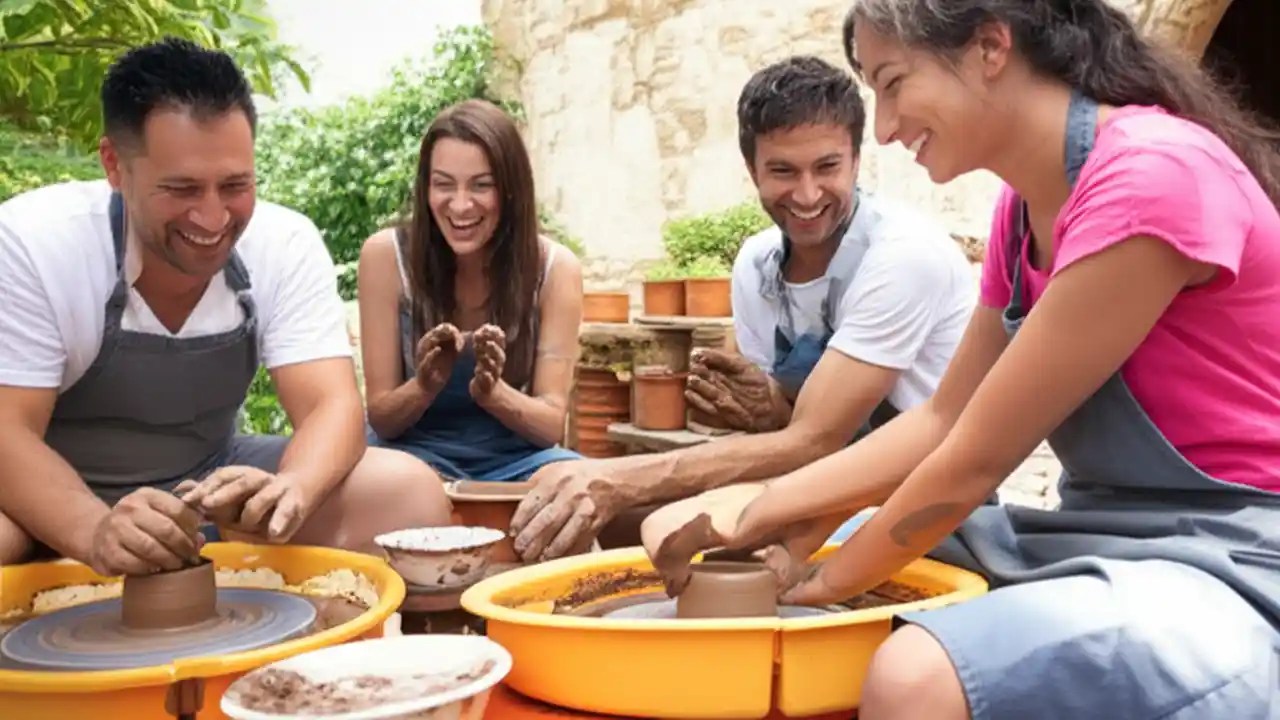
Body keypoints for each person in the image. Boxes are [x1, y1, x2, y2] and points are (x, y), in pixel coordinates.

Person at [640, 2, 1280, 719]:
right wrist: (780, 532)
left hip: (1239, 557)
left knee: (912, 674)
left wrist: (805, 571)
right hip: (1101, 529)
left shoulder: (1153, 178)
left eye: (893, 82)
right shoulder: (1021, 209)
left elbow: (976, 457)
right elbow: (942, 417)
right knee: (827, 549)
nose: (882, 127)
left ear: (989, 47)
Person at [0, 38, 452, 578]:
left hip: (204, 484)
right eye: (183, 188)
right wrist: (94, 530)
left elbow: (332, 407)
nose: (213, 218)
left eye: (235, 185)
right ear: (115, 166)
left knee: (409, 495)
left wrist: (290, 492)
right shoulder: (35, 243)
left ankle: (229, 553)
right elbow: (8, 433)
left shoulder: (283, 242)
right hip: (41, 501)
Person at [509, 55, 976, 562]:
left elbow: (816, 440)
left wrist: (620, 477)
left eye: (827, 167)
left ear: (856, 162)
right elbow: (798, 430)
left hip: (928, 499)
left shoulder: (904, 256)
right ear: (752, 169)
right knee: (624, 526)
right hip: (818, 485)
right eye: (782, 171)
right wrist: (769, 404)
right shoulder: (757, 265)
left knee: (680, 532)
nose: (807, 194)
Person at [358, 99, 584, 484]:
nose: (460, 206)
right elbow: (381, 415)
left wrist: (493, 393)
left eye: (481, 186)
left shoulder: (556, 269)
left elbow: (550, 425)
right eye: (444, 185)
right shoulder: (385, 256)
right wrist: (425, 385)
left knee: (577, 484)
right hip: (409, 456)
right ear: (425, 189)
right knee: (382, 484)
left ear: (511, 191)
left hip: (517, 457)